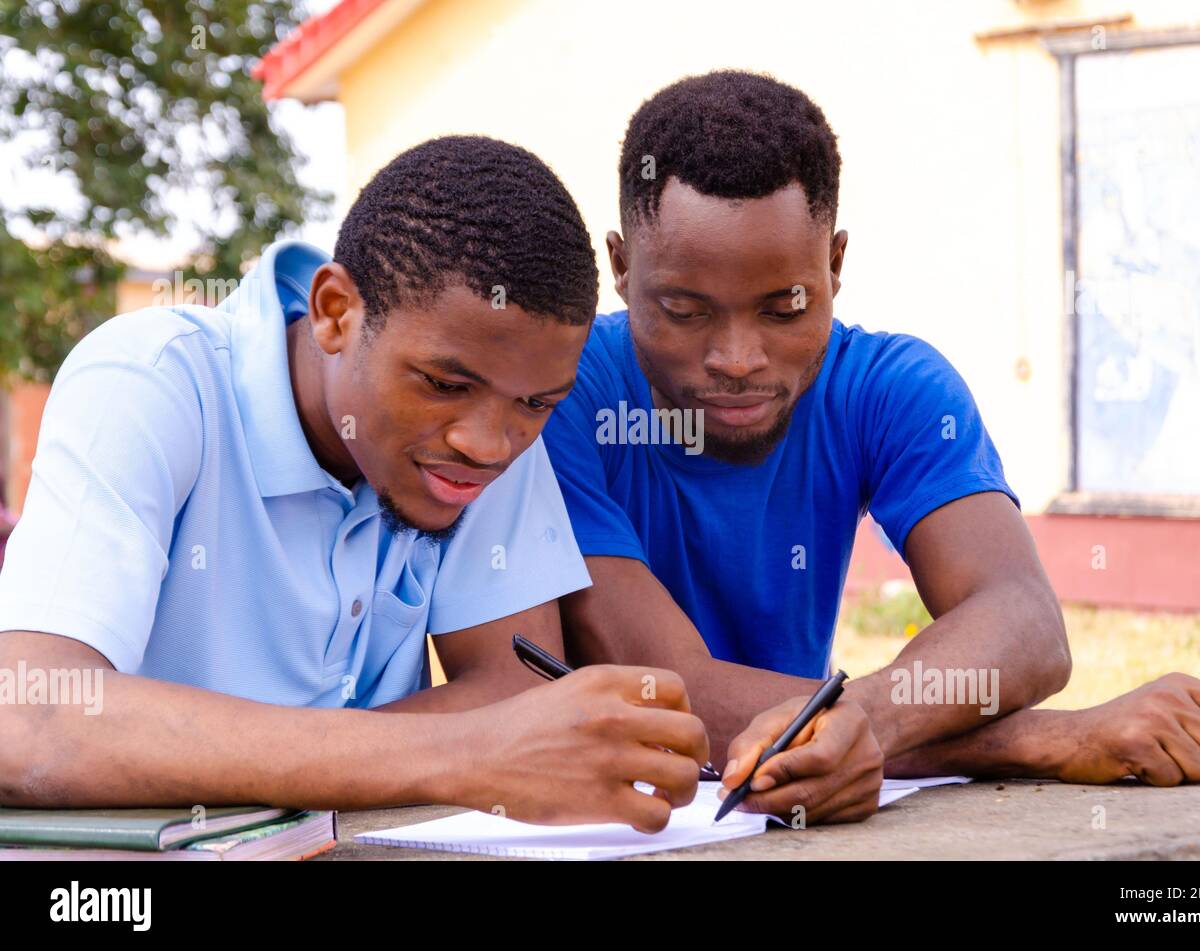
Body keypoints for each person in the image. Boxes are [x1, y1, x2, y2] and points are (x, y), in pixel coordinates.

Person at [543, 71, 1200, 825]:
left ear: (835, 265)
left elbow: (1020, 616)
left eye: (783, 306)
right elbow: (670, 688)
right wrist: (1038, 738)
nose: (737, 357)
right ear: (623, 269)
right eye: (686, 311)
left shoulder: (892, 388)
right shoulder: (556, 393)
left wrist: (870, 725)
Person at [0, 136, 708, 832]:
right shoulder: (151, 380)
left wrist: (464, 743)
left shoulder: (489, 429)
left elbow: (512, 686)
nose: (488, 445)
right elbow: (33, 714)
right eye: (442, 383)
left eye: (537, 405)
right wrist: (464, 752)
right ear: (337, 311)